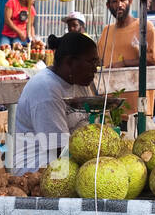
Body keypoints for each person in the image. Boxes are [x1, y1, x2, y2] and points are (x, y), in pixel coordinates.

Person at [10, 32, 98, 175]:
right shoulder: (46, 90)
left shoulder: (80, 83)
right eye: (91, 62)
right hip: (38, 170)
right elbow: (61, 150)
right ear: (69, 62)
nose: (95, 69)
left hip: (67, 162)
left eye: (97, 63)